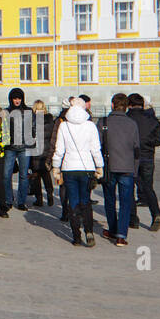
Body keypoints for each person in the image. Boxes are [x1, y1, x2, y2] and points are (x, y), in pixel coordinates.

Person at [50, 97, 102, 247]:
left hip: (69, 168)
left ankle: (76, 236)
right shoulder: (90, 125)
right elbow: (95, 149)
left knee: (72, 201)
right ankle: (89, 231)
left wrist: (56, 167)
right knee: (85, 200)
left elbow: (59, 150)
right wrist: (99, 166)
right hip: (87, 168)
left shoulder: (64, 126)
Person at [99, 93, 141, 246]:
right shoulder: (132, 124)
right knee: (125, 202)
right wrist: (134, 169)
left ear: (112, 105)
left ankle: (112, 229)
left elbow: (98, 146)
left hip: (109, 167)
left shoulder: (104, 122)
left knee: (109, 200)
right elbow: (137, 149)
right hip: (127, 168)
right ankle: (121, 235)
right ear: (127, 106)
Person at [127, 93, 160, 231]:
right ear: (142, 105)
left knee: (130, 188)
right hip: (148, 157)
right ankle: (156, 214)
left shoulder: (127, 119)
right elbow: (159, 141)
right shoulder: (152, 120)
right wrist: (147, 143)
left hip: (131, 158)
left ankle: (133, 218)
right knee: (148, 187)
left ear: (129, 105)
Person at [3, 87, 35, 212]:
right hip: (10, 147)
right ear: (11, 99)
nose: (17, 101)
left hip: (24, 147)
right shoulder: (7, 111)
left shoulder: (28, 111)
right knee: (6, 175)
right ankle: (8, 199)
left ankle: (21, 201)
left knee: (23, 175)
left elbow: (33, 128)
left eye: (19, 98)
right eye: (15, 98)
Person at [28, 98, 56, 207]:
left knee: (36, 176)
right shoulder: (50, 120)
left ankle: (39, 199)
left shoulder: (32, 120)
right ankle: (49, 194)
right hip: (47, 150)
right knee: (46, 174)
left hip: (35, 150)